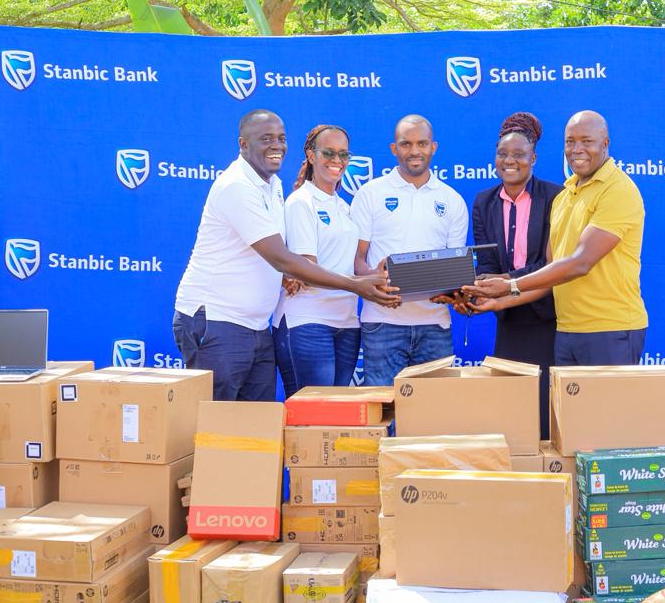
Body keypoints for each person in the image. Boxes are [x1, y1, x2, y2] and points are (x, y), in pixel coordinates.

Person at [173, 110, 398, 401]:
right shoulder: (236, 186)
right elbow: (281, 258)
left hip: (255, 325)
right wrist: (356, 285)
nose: (277, 145)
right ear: (243, 143)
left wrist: (369, 275)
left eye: (281, 138)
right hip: (217, 319)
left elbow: (281, 261)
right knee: (217, 425)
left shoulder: (273, 185)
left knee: (256, 427)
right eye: (266, 139)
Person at [466, 110, 648, 366]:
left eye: (586, 141)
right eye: (570, 141)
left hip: (609, 329)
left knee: (606, 408)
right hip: (566, 331)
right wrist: (499, 302)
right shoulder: (565, 196)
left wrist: (508, 286)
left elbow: (580, 262)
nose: (577, 149)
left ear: (605, 143)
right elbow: (551, 275)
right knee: (564, 408)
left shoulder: (618, 189)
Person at [351, 114, 468, 386]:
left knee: (435, 412)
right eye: (406, 144)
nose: (414, 151)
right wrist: (373, 280)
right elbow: (356, 259)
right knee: (384, 410)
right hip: (382, 323)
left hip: (435, 325)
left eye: (422, 144)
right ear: (394, 149)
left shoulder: (452, 200)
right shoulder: (370, 193)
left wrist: (453, 292)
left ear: (433, 147)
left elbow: (454, 266)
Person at [470, 112, 562, 438]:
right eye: (503, 154)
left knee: (547, 414)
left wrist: (503, 286)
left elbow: (551, 267)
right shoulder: (483, 202)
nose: (509, 161)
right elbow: (487, 264)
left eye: (519, 155)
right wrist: (477, 290)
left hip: (547, 321)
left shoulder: (556, 198)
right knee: (512, 413)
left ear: (533, 158)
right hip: (508, 324)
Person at [272, 124, 362, 396]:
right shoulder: (301, 202)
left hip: (346, 322)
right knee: (311, 419)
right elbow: (306, 272)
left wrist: (375, 276)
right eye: (329, 153)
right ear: (311, 155)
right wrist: (361, 284)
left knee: (332, 419)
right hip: (307, 321)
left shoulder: (345, 207)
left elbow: (348, 263)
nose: (337, 161)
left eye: (344, 155)